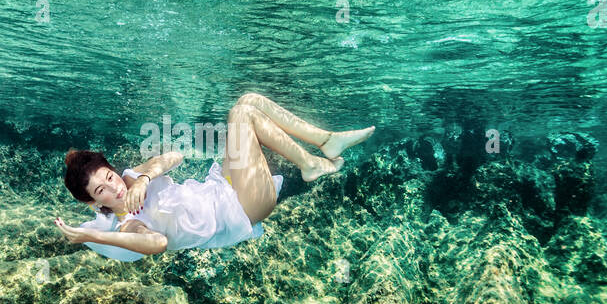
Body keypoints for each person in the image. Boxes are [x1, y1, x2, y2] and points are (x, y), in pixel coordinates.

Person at [53, 92, 375, 260]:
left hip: (223, 185)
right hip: (241, 209)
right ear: (95, 204)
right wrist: (92, 236)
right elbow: (158, 243)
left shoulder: (133, 178)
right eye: (101, 191)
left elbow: (174, 156)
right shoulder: (129, 225)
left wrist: (145, 177)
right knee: (242, 114)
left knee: (249, 100)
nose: (114, 188)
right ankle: (312, 161)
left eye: (109, 177)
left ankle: (324, 144)